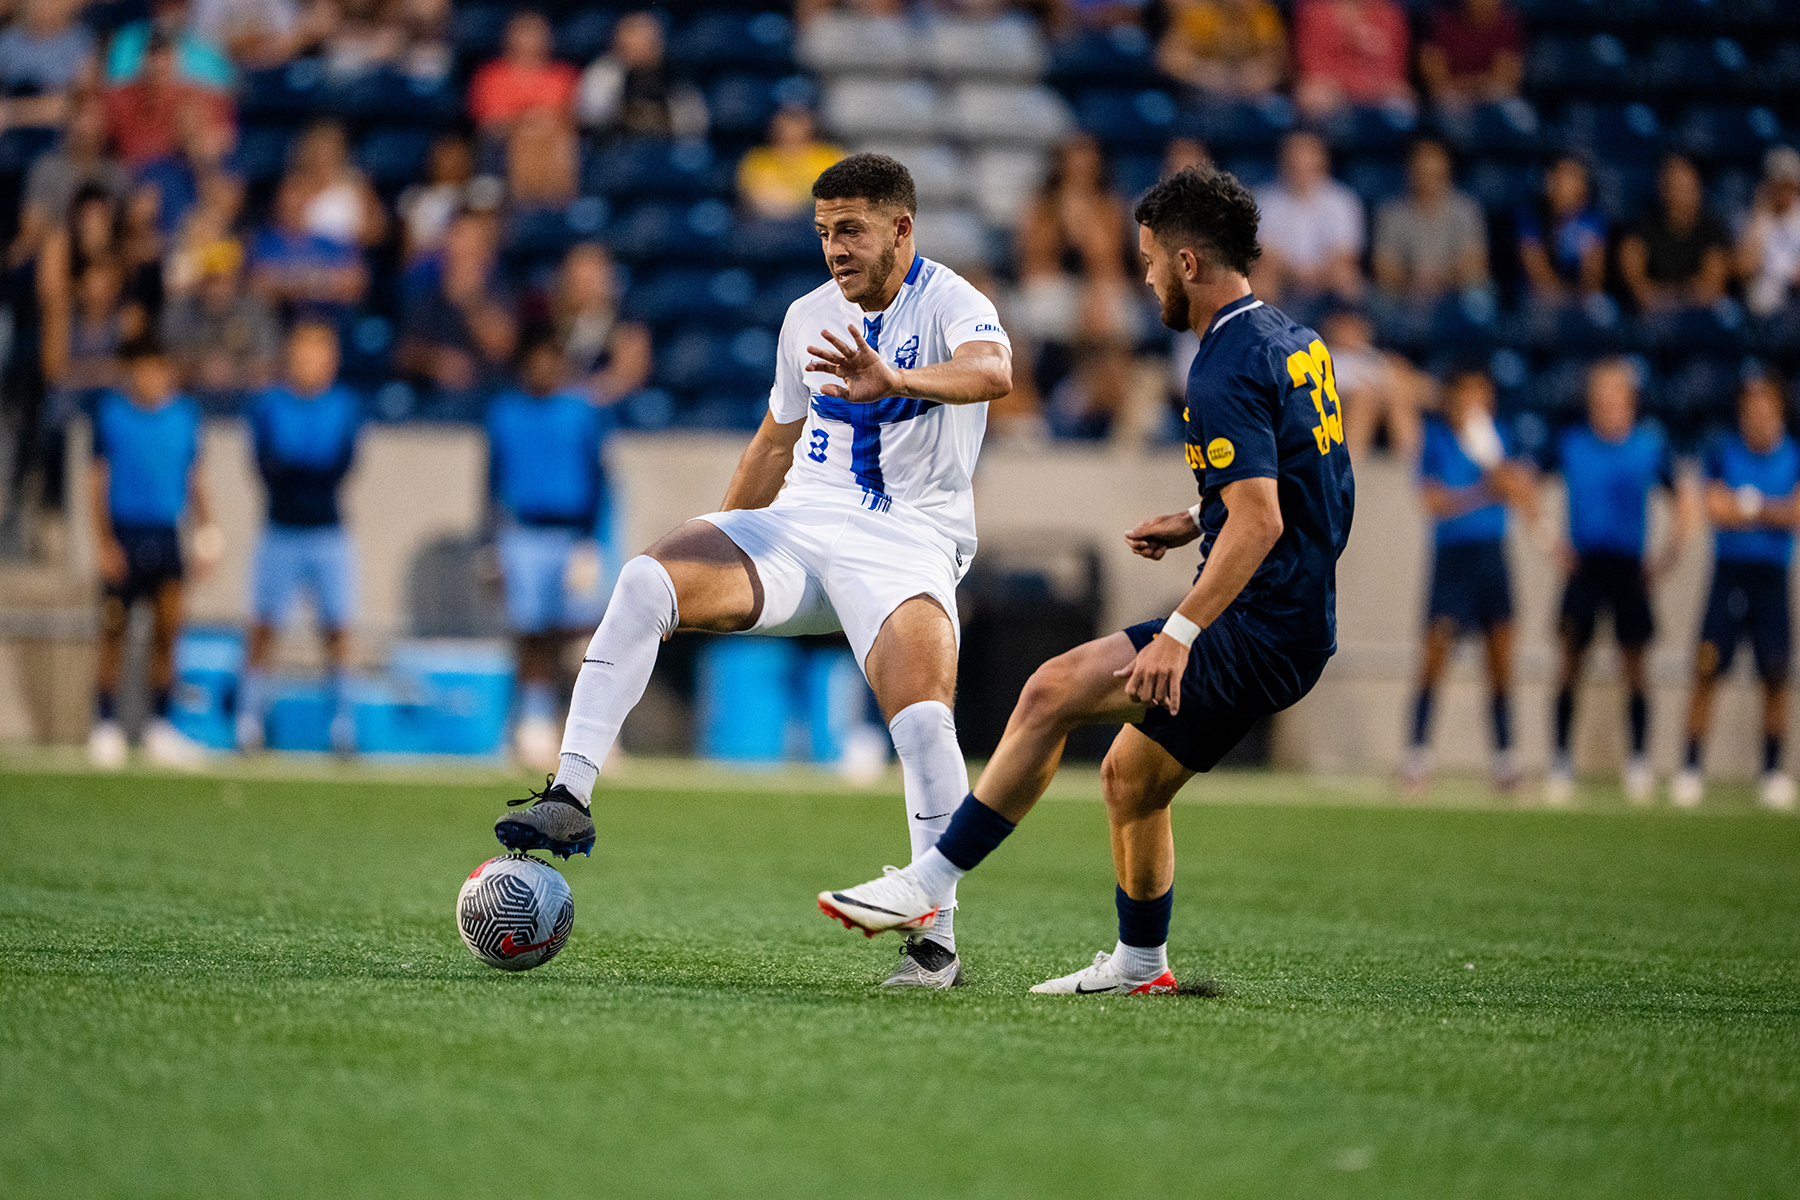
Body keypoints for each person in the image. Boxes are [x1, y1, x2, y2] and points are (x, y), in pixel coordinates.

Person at [818, 164, 1355, 995]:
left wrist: (1180, 632)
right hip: (1299, 618)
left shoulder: (1220, 365)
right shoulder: (1293, 340)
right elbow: (1308, 489)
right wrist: (1201, 512)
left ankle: (928, 886)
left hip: (1252, 621)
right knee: (1131, 778)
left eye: (1146, 262)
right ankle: (1142, 967)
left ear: (1185, 263)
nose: (1142, 279)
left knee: (1049, 691)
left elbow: (1263, 521)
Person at [492, 154, 1012, 990]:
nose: (835, 249)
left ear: (901, 229)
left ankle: (937, 939)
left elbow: (996, 373)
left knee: (922, 721)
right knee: (646, 579)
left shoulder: (956, 302)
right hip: (800, 526)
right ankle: (569, 791)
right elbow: (775, 440)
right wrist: (727, 528)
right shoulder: (805, 316)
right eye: (823, 232)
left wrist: (897, 378)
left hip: (907, 538)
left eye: (851, 230)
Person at [1545, 358, 1699, 805]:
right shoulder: (1572, 443)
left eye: (1617, 397)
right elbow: (1522, 483)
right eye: (1601, 397)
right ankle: (1560, 761)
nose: (1608, 405)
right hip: (1585, 567)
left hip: (1629, 569)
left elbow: (1683, 500)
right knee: (1569, 663)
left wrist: (1668, 555)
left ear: (1630, 403)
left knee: (1636, 667)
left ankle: (1639, 762)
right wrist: (1549, 542)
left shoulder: (1650, 446)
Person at [1400, 366, 1536, 794]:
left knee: (1500, 659)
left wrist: (1494, 467)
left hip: (1492, 555)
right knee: (1434, 655)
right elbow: (1434, 501)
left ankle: (1504, 760)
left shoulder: (1500, 439)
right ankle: (1417, 756)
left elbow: (1521, 493)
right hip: (1452, 556)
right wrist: (1484, 492)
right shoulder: (1436, 440)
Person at [86, 335, 218, 769]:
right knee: (113, 631)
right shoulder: (111, 415)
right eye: (144, 369)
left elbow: (194, 477)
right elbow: (97, 482)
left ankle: (160, 725)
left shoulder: (184, 416)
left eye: (160, 369)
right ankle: (105, 725)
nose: (152, 378)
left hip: (166, 534)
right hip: (125, 531)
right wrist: (104, 542)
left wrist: (207, 531)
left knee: (168, 630)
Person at [486, 332, 616, 769]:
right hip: (522, 534)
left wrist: (593, 543)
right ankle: (535, 724)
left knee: (583, 635)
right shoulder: (504, 413)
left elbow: (600, 478)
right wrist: (489, 544)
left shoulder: (580, 413)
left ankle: (589, 729)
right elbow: (491, 482)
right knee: (531, 634)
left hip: (571, 535)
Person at [1671, 375, 1798, 811]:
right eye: (1751, 409)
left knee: (1776, 674)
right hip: (1728, 573)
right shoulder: (1721, 451)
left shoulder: (1794, 456)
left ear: (1779, 412)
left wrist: (1747, 505)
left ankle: (1771, 770)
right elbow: (1715, 508)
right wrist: (1768, 508)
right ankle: (1689, 768)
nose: (1759, 417)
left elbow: (1794, 514)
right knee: (1706, 669)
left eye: (1767, 408)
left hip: (1771, 576)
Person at [237, 320, 363, 754]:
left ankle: (343, 725)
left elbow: (341, 463)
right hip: (280, 530)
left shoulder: (344, 405)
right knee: (263, 626)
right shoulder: (269, 404)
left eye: (320, 352)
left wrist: (301, 469)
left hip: (328, 531)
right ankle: (250, 722)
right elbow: (265, 463)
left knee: (338, 629)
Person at [1252, 131, 1364, 308]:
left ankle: (1344, 329)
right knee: (1260, 279)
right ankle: (1266, 332)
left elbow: (1344, 255)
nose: (1300, 165)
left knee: (1347, 277)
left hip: (1327, 278)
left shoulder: (1343, 200)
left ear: (1322, 161)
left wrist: (1314, 276)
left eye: (1308, 157)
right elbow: (1266, 254)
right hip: (1284, 278)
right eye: (1294, 159)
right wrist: (1297, 274)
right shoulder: (1266, 199)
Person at [1373, 138, 1488, 303]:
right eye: (1420, 164)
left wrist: (1438, 279)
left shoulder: (1467, 209)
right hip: (1406, 294)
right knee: (1380, 299)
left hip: (1456, 292)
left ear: (1447, 167)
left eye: (1434, 163)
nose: (1427, 170)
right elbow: (1384, 270)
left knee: (1478, 294)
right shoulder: (1391, 212)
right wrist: (1416, 280)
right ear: (1409, 168)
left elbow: (1474, 264)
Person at [1618, 155, 1731, 315]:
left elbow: (1712, 289)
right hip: (1650, 324)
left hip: (1698, 322)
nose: (1676, 192)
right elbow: (1639, 290)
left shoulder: (1713, 231)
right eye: (1671, 184)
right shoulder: (1636, 230)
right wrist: (1687, 291)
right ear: (1660, 186)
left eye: (1684, 186)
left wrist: (1666, 294)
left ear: (1698, 187)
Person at [577, 11, 705, 141]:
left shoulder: (675, 73)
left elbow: (697, 123)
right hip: (617, 148)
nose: (643, 44)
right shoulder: (605, 72)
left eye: (650, 38)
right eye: (634, 36)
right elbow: (592, 118)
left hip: (668, 149)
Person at [1293, 0, 1413, 119]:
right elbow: (1316, 69)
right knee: (1314, 95)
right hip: (1335, 91)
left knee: (1402, 101)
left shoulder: (1388, 15)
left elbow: (1392, 72)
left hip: (1377, 91)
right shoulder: (1317, 13)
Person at [468, 10, 576, 135]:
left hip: (552, 145)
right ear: (508, 35)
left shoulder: (566, 76)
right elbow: (488, 123)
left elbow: (570, 120)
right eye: (523, 32)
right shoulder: (489, 76)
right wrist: (527, 120)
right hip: (502, 148)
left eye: (536, 32)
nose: (529, 39)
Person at [1517, 155, 1606, 304]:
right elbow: (1537, 272)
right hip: (1537, 299)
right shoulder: (1529, 217)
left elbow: (1592, 277)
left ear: (1584, 185)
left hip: (1579, 299)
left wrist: (1577, 298)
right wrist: (1564, 298)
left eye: (1571, 176)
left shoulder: (1592, 221)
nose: (1561, 181)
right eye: (1558, 174)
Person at [1156, 0, 1287, 100]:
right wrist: (1209, 74)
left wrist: (1259, 76)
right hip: (1203, 97)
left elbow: (1276, 61)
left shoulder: (1263, 16)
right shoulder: (1200, 16)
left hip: (1251, 98)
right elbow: (1169, 60)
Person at [736, 105, 845, 220]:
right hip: (771, 228)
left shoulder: (830, 156)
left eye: (798, 117)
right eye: (786, 116)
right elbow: (755, 200)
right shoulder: (757, 160)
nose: (792, 125)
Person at [1418, 0, 1523, 108]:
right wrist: (1468, 87)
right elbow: (1436, 80)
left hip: (1492, 95)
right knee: (1449, 105)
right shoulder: (1439, 21)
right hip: (1452, 98)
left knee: (1516, 111)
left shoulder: (1508, 25)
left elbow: (1506, 80)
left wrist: (1472, 85)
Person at [1737, 146, 1800, 319]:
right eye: (1777, 183)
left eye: (1788, 184)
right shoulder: (1755, 217)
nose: (1782, 191)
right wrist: (1759, 218)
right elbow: (1743, 269)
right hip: (1761, 313)